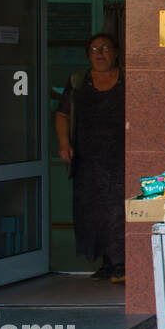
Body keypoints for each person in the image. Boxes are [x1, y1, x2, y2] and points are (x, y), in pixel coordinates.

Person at [54, 33, 125, 282]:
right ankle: (107, 262)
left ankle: (121, 263)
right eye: (94, 48)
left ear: (116, 52)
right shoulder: (77, 81)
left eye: (106, 48)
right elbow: (62, 114)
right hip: (88, 158)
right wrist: (64, 144)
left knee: (117, 210)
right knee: (92, 212)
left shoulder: (126, 79)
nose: (100, 53)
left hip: (120, 158)